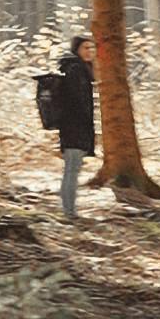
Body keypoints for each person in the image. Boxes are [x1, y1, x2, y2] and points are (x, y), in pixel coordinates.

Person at [55, 34, 97, 219]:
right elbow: (78, 103)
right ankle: (69, 212)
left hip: (75, 129)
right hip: (74, 130)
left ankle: (69, 210)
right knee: (71, 171)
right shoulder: (76, 71)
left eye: (92, 48)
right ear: (77, 50)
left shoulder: (78, 69)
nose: (90, 52)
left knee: (72, 170)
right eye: (86, 48)